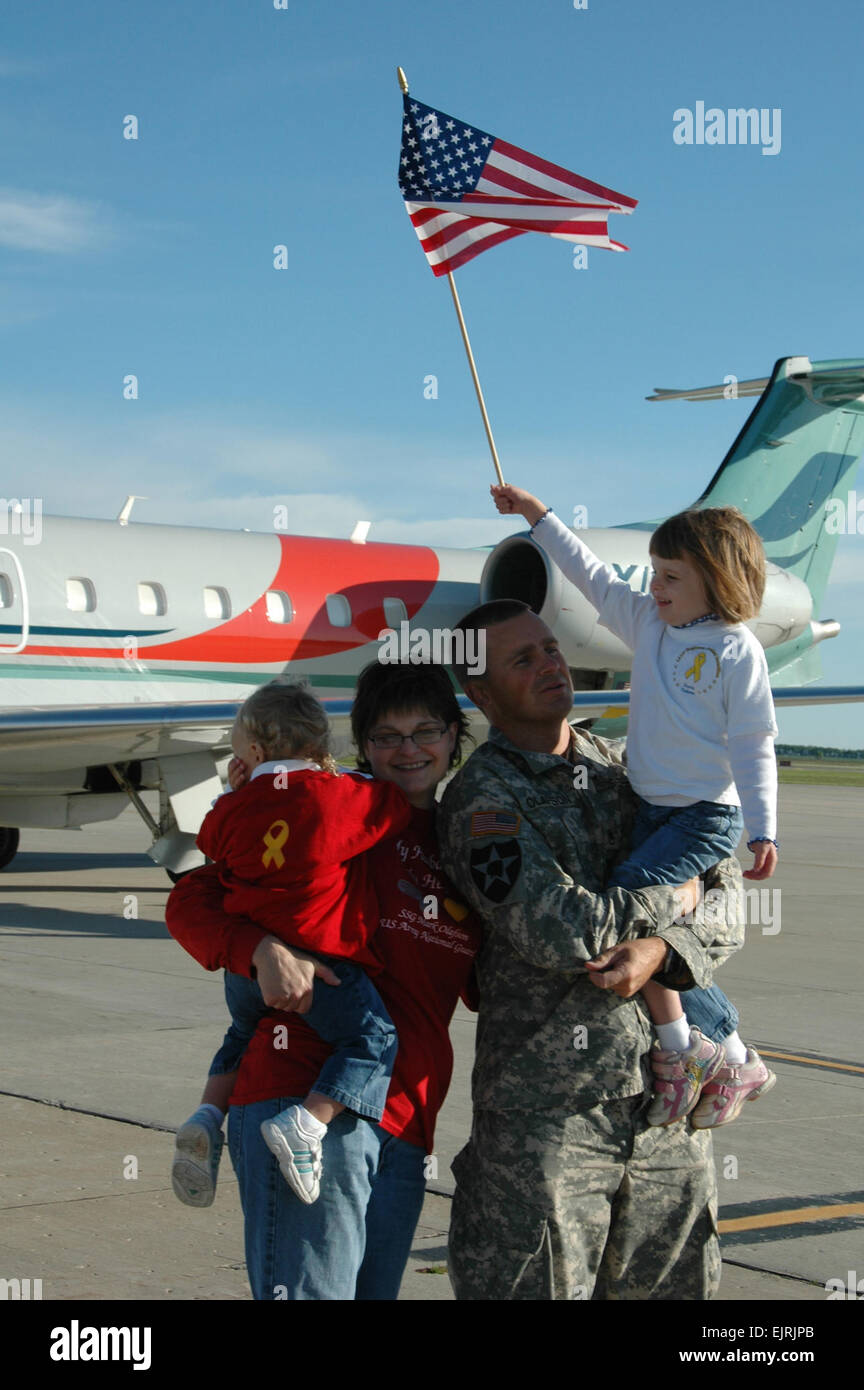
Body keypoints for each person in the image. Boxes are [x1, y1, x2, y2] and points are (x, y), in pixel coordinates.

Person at [436, 599, 746, 1300]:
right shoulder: (484, 799)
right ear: (481, 694)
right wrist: (676, 906)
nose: (551, 664)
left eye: (550, 648)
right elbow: (560, 929)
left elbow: (729, 900)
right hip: (550, 1125)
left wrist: (660, 947)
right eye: (524, 659)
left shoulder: (626, 768)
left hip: (670, 1108)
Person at [165, 661, 482, 1300]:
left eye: (425, 731)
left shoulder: (467, 848)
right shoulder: (330, 812)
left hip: (406, 1121)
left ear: (453, 737)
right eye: (387, 736)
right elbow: (190, 901)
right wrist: (257, 950)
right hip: (302, 1098)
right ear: (359, 746)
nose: (408, 749)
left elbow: (497, 977)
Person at [490, 484, 777, 1129]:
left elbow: (755, 744)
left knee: (629, 911)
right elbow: (589, 576)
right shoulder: (648, 624)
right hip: (652, 810)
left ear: (716, 578)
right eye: (653, 574)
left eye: (671, 576)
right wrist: (539, 518)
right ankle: (733, 1054)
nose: (656, 587)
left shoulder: (737, 650)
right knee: (649, 928)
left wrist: (763, 830)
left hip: (704, 815)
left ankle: (683, 1049)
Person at [171, 680, 411, 1210]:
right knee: (373, 1039)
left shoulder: (233, 810)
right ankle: (307, 1124)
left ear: (253, 753)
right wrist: (342, 777)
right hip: (322, 969)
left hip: (247, 973)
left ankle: (208, 1115)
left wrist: (238, 795)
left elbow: (209, 840)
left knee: (242, 1030)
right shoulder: (337, 798)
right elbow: (391, 808)